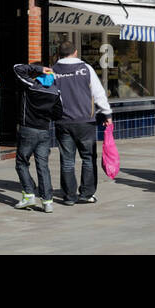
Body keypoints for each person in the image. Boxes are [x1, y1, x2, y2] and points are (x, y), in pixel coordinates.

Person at [52, 39, 113, 205]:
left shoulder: (53, 71)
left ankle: (69, 196)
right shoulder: (86, 69)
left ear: (59, 53)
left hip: (63, 122)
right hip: (85, 121)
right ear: (75, 52)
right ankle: (86, 194)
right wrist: (107, 113)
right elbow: (99, 93)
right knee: (88, 158)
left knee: (67, 160)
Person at [11, 61, 64, 212]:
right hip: (44, 131)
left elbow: (17, 68)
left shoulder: (30, 86)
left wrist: (39, 68)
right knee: (43, 165)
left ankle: (28, 194)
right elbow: (58, 113)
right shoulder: (55, 92)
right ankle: (47, 201)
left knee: (21, 162)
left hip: (28, 129)